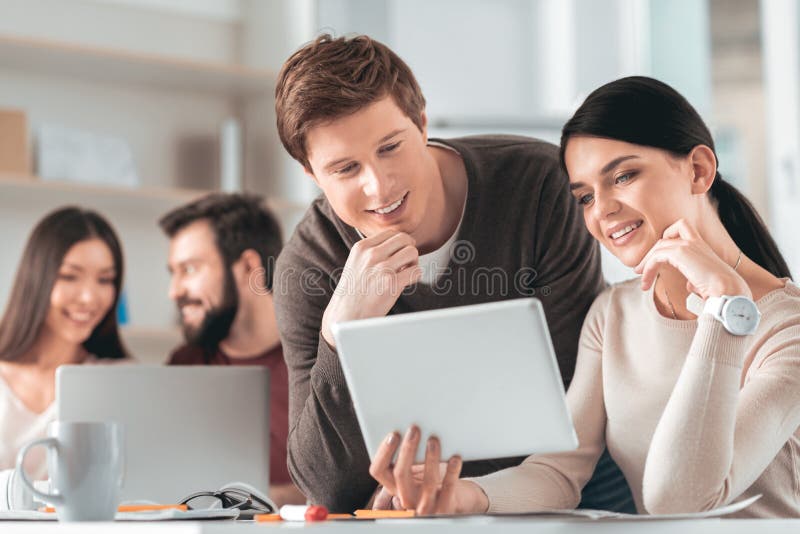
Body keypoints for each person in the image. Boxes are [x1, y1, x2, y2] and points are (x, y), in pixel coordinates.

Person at [370, 76, 800, 518]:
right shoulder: (613, 314)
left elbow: (680, 500)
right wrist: (459, 494)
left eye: (624, 176)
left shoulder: (788, 329)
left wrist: (726, 307)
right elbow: (558, 472)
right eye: (585, 197)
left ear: (698, 170)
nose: (603, 210)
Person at [272, 33, 633, 512]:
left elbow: (569, 400)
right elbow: (323, 487)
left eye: (390, 147)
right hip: (429, 509)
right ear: (311, 174)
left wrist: (444, 488)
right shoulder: (309, 264)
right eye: (344, 168)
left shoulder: (539, 184)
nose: (378, 185)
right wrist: (342, 332)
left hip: (579, 481)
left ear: (421, 123)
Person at [159, 192, 305, 506]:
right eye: (173, 272)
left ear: (248, 266)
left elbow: (358, 480)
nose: (174, 291)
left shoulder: (320, 359)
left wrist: (274, 499)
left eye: (190, 269)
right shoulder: (185, 364)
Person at [0, 207, 130, 509]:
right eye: (69, 276)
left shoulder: (121, 379)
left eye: (105, 280)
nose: (88, 297)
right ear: (37, 279)